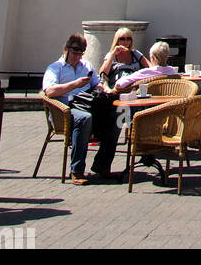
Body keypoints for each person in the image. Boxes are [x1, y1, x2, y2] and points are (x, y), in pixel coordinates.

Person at [42, 32, 120, 184]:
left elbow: (97, 83)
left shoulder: (86, 66)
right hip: (65, 109)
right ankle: (77, 170)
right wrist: (75, 84)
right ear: (66, 48)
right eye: (74, 52)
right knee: (85, 118)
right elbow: (50, 91)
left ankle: (102, 165)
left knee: (118, 117)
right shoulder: (55, 68)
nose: (77, 57)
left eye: (80, 53)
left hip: (87, 104)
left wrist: (103, 89)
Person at [111, 41, 177, 94]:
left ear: (153, 58)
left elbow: (119, 84)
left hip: (145, 106)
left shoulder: (147, 72)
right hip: (168, 104)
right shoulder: (172, 71)